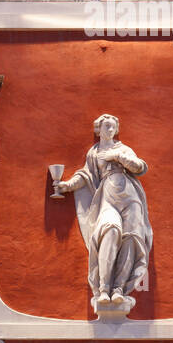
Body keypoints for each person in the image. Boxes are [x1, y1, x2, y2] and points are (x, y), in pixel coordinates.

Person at [53, 113, 152, 310]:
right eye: (106, 126)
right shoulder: (94, 152)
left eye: (113, 127)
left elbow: (140, 167)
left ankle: (118, 288)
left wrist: (118, 156)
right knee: (110, 230)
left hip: (130, 199)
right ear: (98, 129)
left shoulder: (122, 148)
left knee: (131, 237)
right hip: (108, 198)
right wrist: (67, 185)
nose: (110, 130)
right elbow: (86, 175)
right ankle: (104, 287)